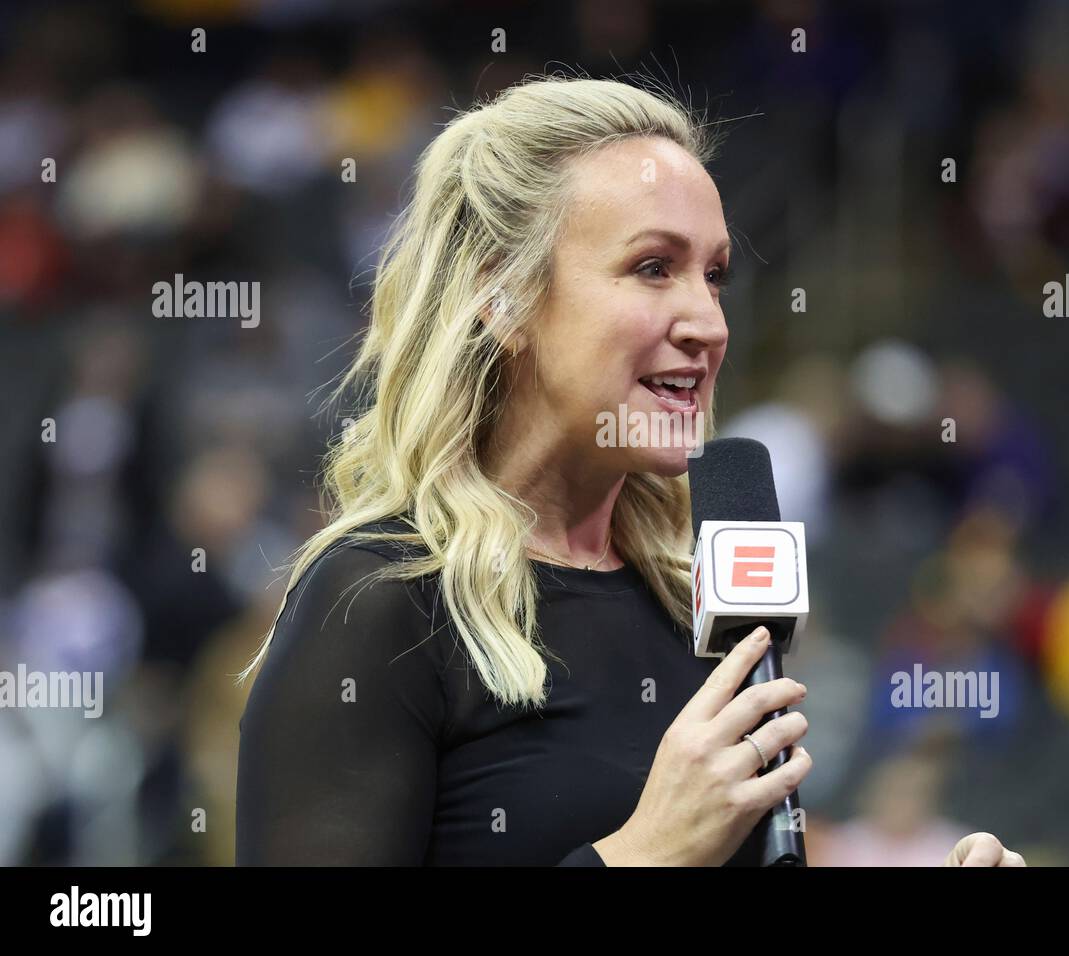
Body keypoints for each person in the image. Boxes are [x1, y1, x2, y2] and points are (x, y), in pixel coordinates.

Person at [234, 74, 1022, 867]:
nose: (709, 323)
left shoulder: (704, 610)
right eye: (653, 268)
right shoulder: (379, 602)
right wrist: (641, 859)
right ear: (501, 297)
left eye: (714, 275)